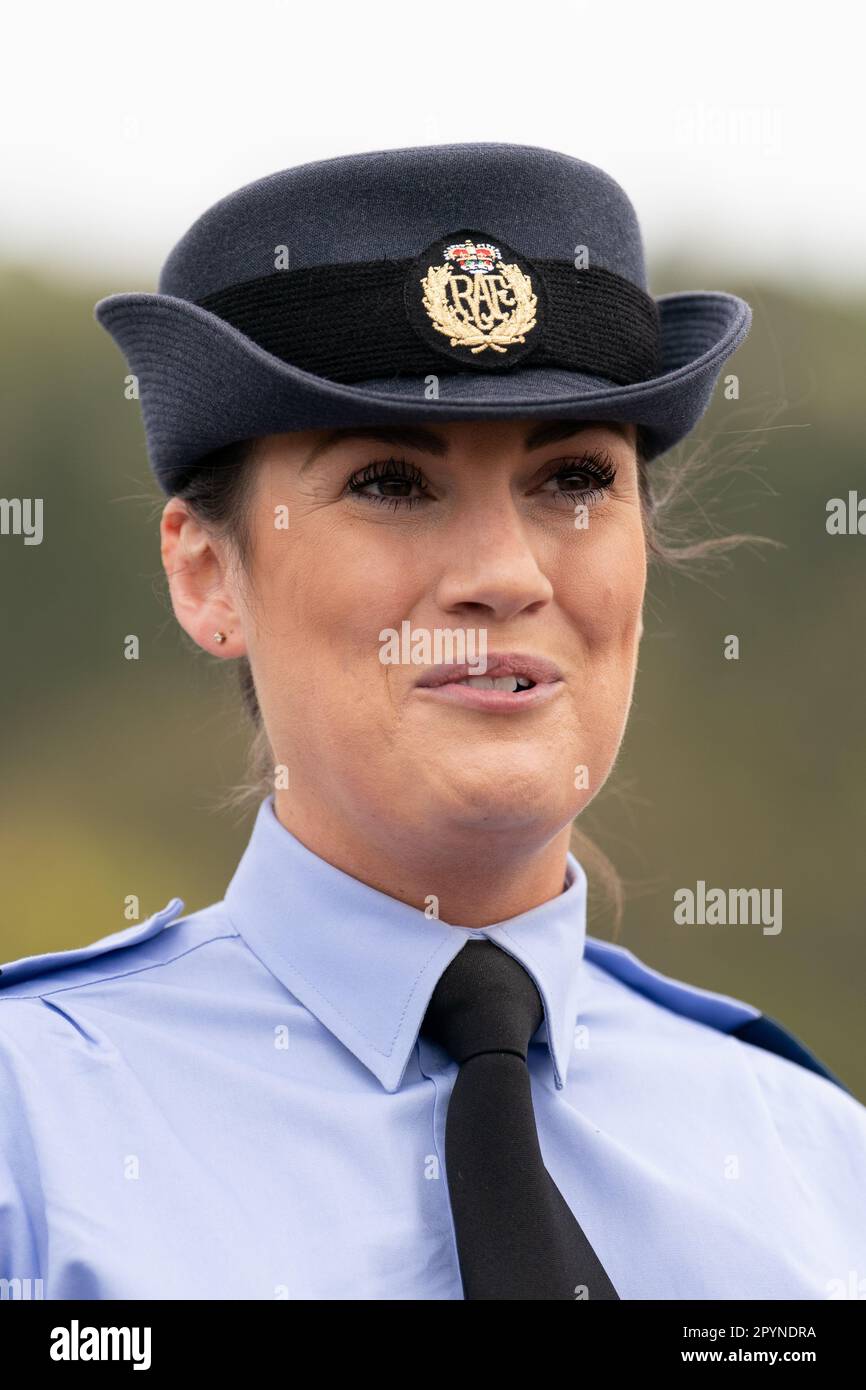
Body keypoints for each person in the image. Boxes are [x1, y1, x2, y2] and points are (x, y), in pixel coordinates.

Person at [1, 142, 864, 1302]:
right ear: (207, 574)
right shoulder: (34, 1136)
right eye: (389, 484)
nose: (504, 574)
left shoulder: (814, 1167)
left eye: (571, 480)